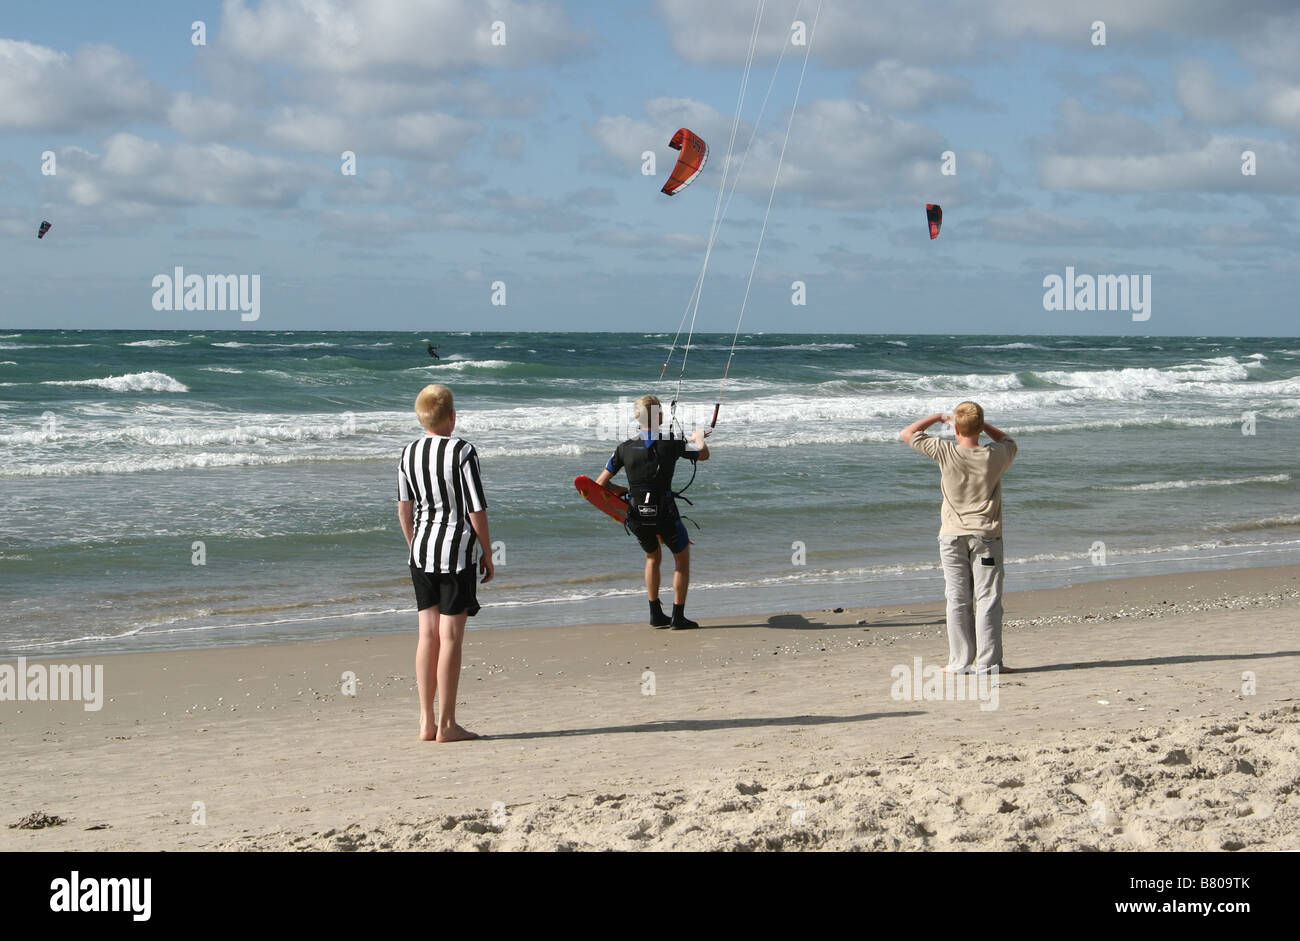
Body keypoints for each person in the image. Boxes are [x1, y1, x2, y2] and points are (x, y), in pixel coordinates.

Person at [397, 383, 494, 741]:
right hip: (456, 552)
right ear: (452, 415)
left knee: (427, 634)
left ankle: (425, 721)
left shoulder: (408, 452)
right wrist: (486, 550)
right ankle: (448, 724)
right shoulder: (463, 451)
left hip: (420, 551)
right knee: (450, 636)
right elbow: (475, 508)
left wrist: (414, 544)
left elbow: (404, 508)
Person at [900, 401, 1017, 675]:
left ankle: (959, 663)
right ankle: (988, 664)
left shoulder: (946, 451)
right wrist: (982, 424)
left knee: (957, 599)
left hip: (952, 536)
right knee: (987, 599)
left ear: (955, 429)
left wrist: (940, 416)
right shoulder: (996, 454)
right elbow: (1009, 440)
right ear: (980, 427)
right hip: (986, 536)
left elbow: (908, 433)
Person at [595, 395, 709, 630]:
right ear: (658, 416)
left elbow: (600, 484)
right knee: (681, 560)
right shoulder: (672, 443)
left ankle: (656, 614)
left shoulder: (624, 448)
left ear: (638, 416)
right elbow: (703, 454)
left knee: (652, 557)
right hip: (665, 514)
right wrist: (699, 438)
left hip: (637, 515)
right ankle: (678, 617)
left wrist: (624, 491)